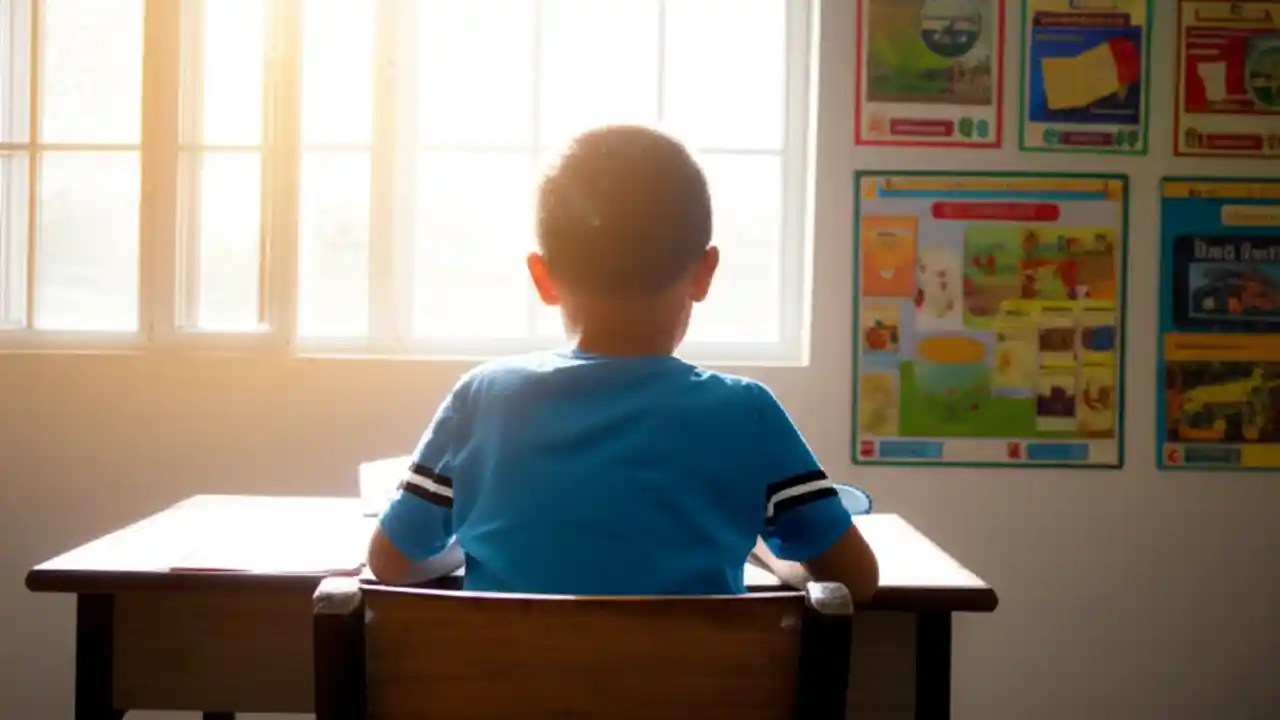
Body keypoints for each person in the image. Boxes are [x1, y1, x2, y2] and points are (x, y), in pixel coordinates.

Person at [366, 125, 878, 601]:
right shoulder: (748, 414)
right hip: (694, 700)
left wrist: (468, 545)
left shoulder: (482, 399)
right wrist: (763, 549)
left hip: (512, 700)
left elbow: (390, 562)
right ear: (705, 272)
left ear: (542, 278)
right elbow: (854, 578)